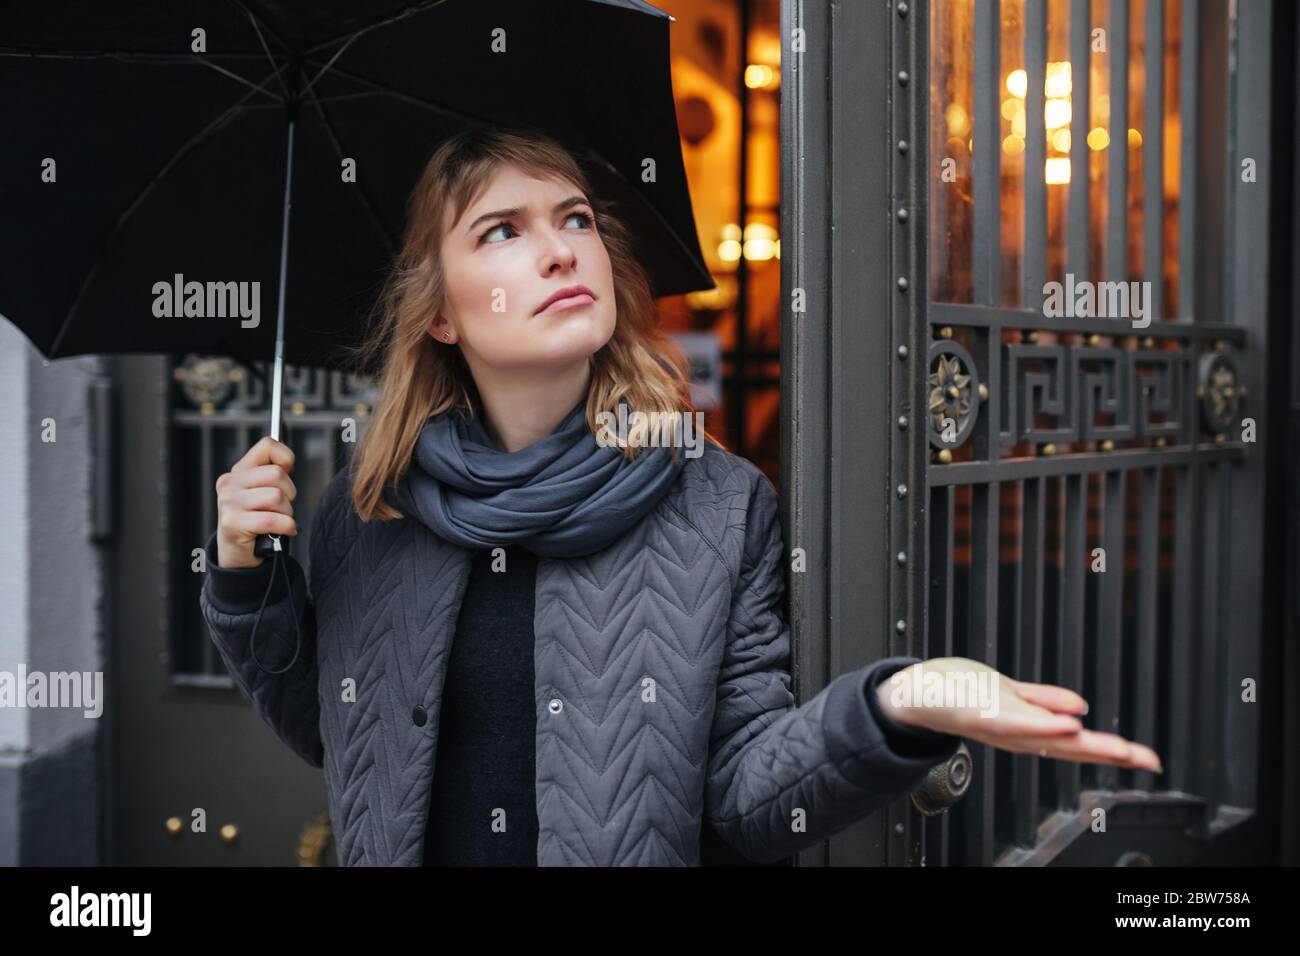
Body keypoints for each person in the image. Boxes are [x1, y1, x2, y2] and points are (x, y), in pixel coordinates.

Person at [199, 126, 1161, 867]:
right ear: (442, 313)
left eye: (575, 219)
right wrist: (245, 578)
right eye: (503, 230)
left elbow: (746, 799)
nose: (561, 250)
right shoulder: (374, 504)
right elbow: (336, 736)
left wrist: (900, 703)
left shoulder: (715, 503)